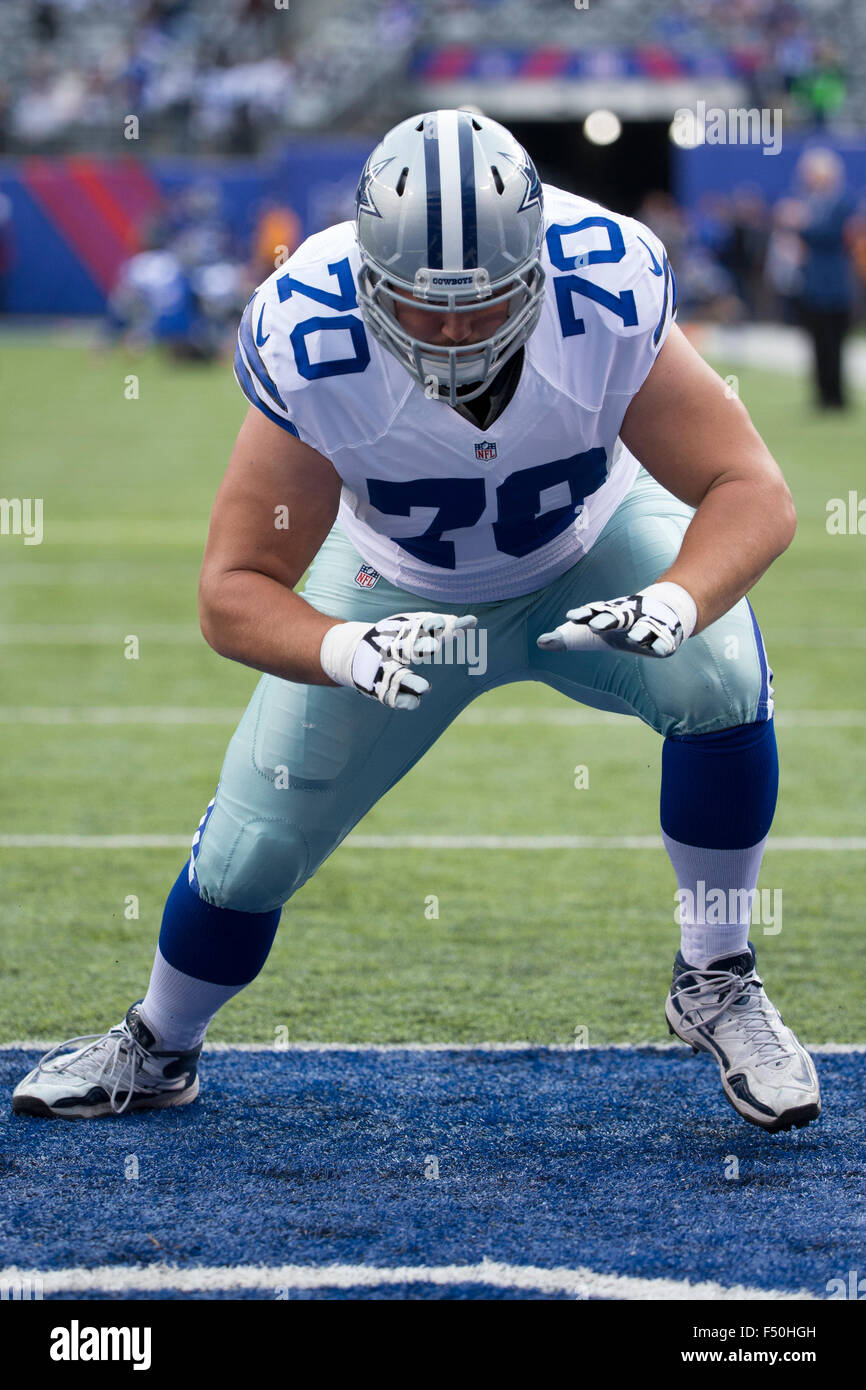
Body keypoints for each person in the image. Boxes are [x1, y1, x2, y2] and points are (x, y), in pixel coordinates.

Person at [14, 110, 820, 1133]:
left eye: (482, 305)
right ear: (364, 280)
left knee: (715, 672)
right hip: (397, 592)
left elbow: (748, 487)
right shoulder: (310, 335)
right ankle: (159, 1042)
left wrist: (673, 598)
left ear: (535, 269)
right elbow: (233, 585)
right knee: (249, 853)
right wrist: (340, 646)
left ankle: (714, 977)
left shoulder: (605, 283)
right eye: (419, 307)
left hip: (591, 548)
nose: (451, 333)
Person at [792, 148, 855, 410]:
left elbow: (829, 234)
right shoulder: (810, 201)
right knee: (817, 341)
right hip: (814, 284)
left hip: (835, 284)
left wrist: (801, 225)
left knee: (835, 342)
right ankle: (822, 393)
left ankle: (836, 395)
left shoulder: (840, 201)